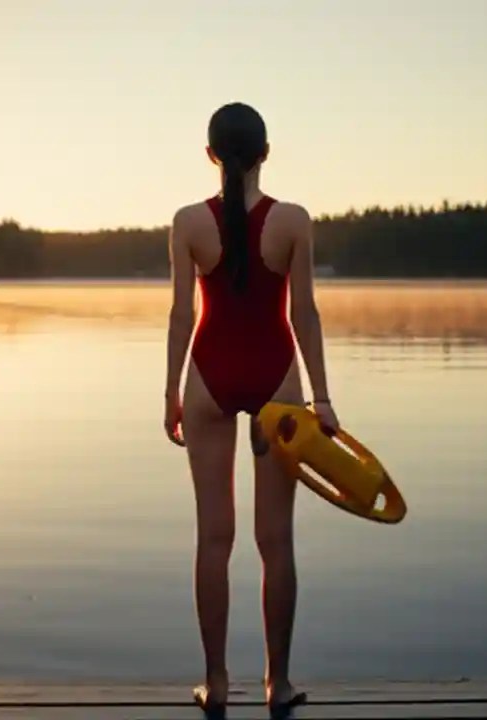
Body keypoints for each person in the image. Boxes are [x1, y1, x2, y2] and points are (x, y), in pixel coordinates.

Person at [163, 102, 339, 717]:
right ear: (265, 153)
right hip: (276, 382)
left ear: (212, 155)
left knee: (214, 539)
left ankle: (215, 684)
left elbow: (184, 314)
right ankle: (278, 686)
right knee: (276, 542)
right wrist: (322, 398)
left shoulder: (189, 222)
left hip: (209, 378)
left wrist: (171, 393)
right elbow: (304, 315)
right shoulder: (292, 221)